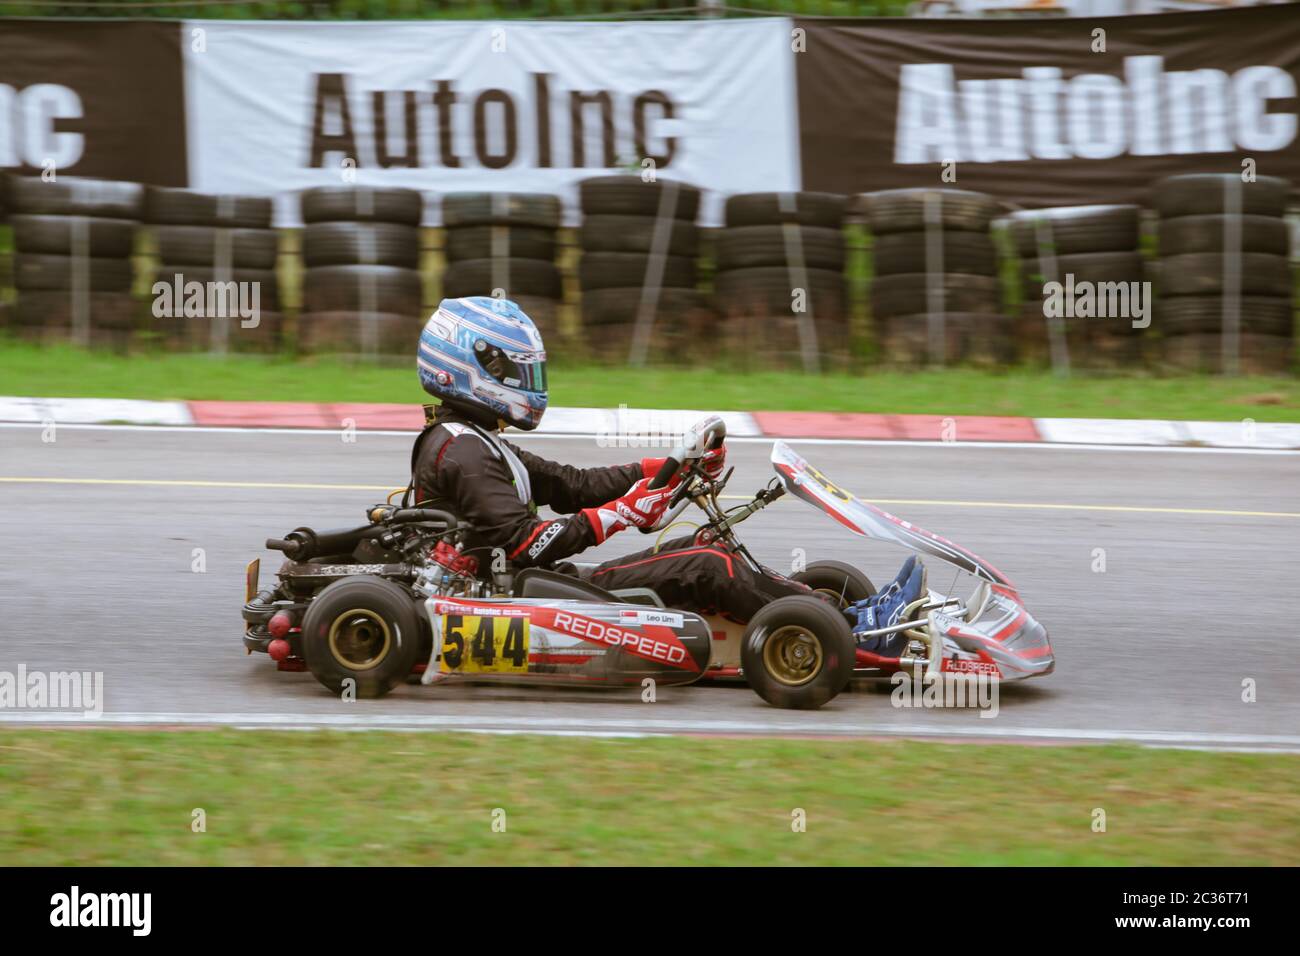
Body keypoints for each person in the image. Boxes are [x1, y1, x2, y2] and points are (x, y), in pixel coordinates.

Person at [408, 295, 924, 635]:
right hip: (520, 595)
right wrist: (623, 514)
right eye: (517, 371)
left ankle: (836, 611)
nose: (528, 382)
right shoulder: (462, 448)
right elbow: (524, 541)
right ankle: (846, 627)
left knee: (705, 547)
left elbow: (572, 484)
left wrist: (665, 466)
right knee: (708, 564)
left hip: (537, 583)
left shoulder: (473, 441)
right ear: (472, 367)